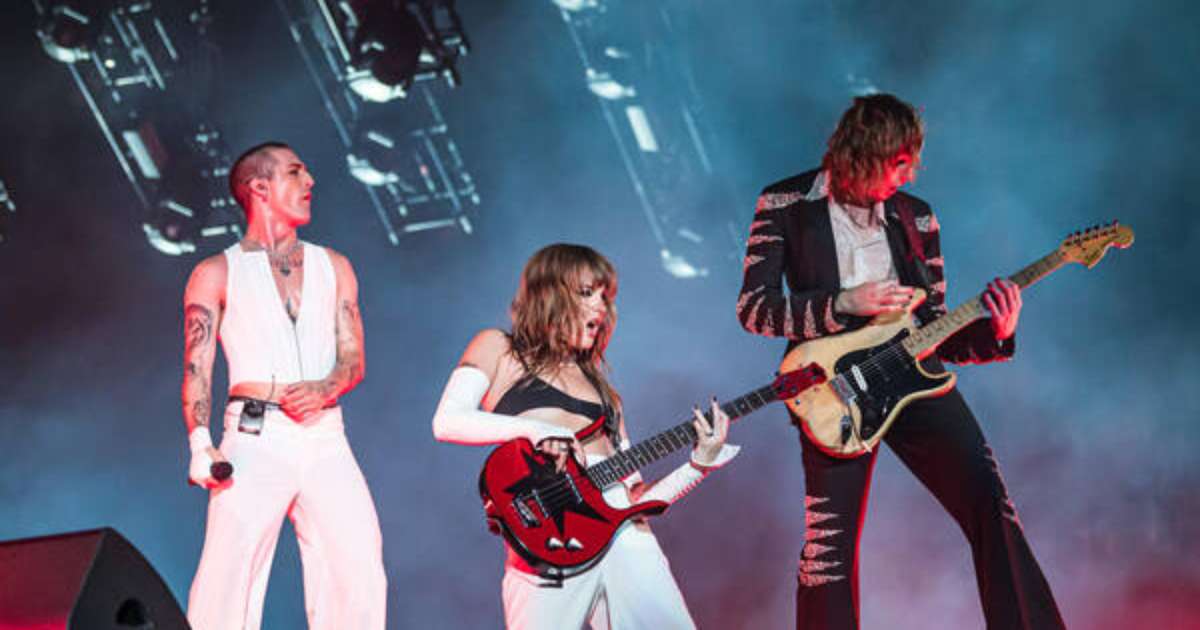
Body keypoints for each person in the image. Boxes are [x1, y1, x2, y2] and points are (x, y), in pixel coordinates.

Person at [736, 94, 1065, 629]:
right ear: (867, 154)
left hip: (916, 382)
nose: (909, 177)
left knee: (992, 506)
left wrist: (997, 332)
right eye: (900, 164)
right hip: (834, 389)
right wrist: (844, 304)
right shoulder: (783, 204)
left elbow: (935, 328)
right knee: (828, 553)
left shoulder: (917, 218)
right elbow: (754, 310)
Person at [432, 243, 738, 630]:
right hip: (551, 536)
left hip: (628, 539)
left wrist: (700, 465)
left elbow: (635, 497)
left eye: (605, 296)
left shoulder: (606, 395)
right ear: (549, 293)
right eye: (586, 293)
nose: (601, 307)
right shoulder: (499, 348)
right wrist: (538, 429)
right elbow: (447, 421)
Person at [182, 141, 386, 629]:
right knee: (230, 575)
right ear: (260, 187)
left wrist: (326, 387)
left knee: (358, 569)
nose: (310, 181)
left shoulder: (334, 265)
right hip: (254, 437)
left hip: (324, 435)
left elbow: (353, 359)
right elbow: (196, 366)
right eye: (296, 172)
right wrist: (199, 443)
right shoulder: (215, 272)